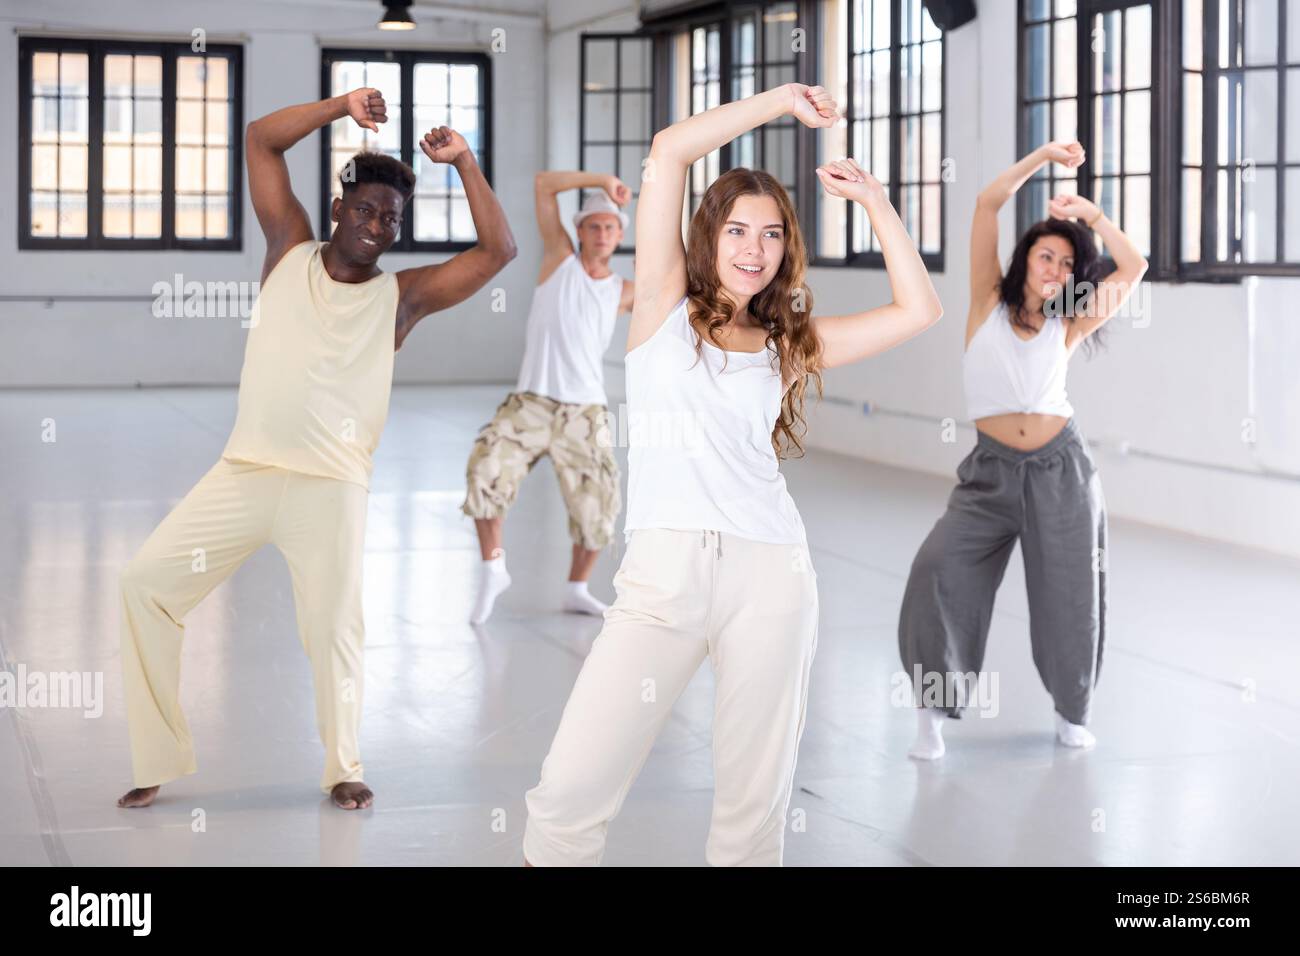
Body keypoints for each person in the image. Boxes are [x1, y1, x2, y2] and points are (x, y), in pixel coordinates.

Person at [522, 82, 942, 866]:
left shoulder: (789, 342)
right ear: (708, 234)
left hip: (770, 574)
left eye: (773, 234)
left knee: (752, 814)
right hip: (660, 580)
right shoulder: (659, 307)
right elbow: (669, 151)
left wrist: (877, 203)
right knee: (568, 795)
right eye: (739, 229)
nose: (755, 249)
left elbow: (918, 310)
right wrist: (782, 100)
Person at [116, 88, 516, 810]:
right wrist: (340, 107)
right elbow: (260, 140)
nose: (374, 225)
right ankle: (156, 757)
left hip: (330, 489)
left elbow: (499, 251)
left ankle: (343, 768)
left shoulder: (402, 297)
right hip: (244, 472)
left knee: (335, 628)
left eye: (389, 218)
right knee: (144, 584)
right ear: (339, 209)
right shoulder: (287, 250)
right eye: (364, 209)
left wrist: (465, 163)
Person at [898, 140, 1148, 760]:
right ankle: (931, 711)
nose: (1055, 269)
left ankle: (1072, 711)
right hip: (989, 472)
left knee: (1071, 593)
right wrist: (1041, 156)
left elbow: (1134, 265)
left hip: (1061, 468)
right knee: (938, 570)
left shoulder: (1071, 317)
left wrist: (1092, 217)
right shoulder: (987, 299)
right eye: (1046, 255)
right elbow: (988, 202)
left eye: (1067, 262)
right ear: (1025, 258)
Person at [462, 172, 635, 624]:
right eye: (592, 226)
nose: (600, 234)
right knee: (486, 470)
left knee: (600, 504)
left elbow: (678, 291)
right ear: (578, 231)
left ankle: (577, 588)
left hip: (586, 409)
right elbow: (542, 185)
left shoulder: (624, 291)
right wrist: (602, 180)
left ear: (620, 235)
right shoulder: (560, 260)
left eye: (609, 227)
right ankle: (493, 568)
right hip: (532, 402)